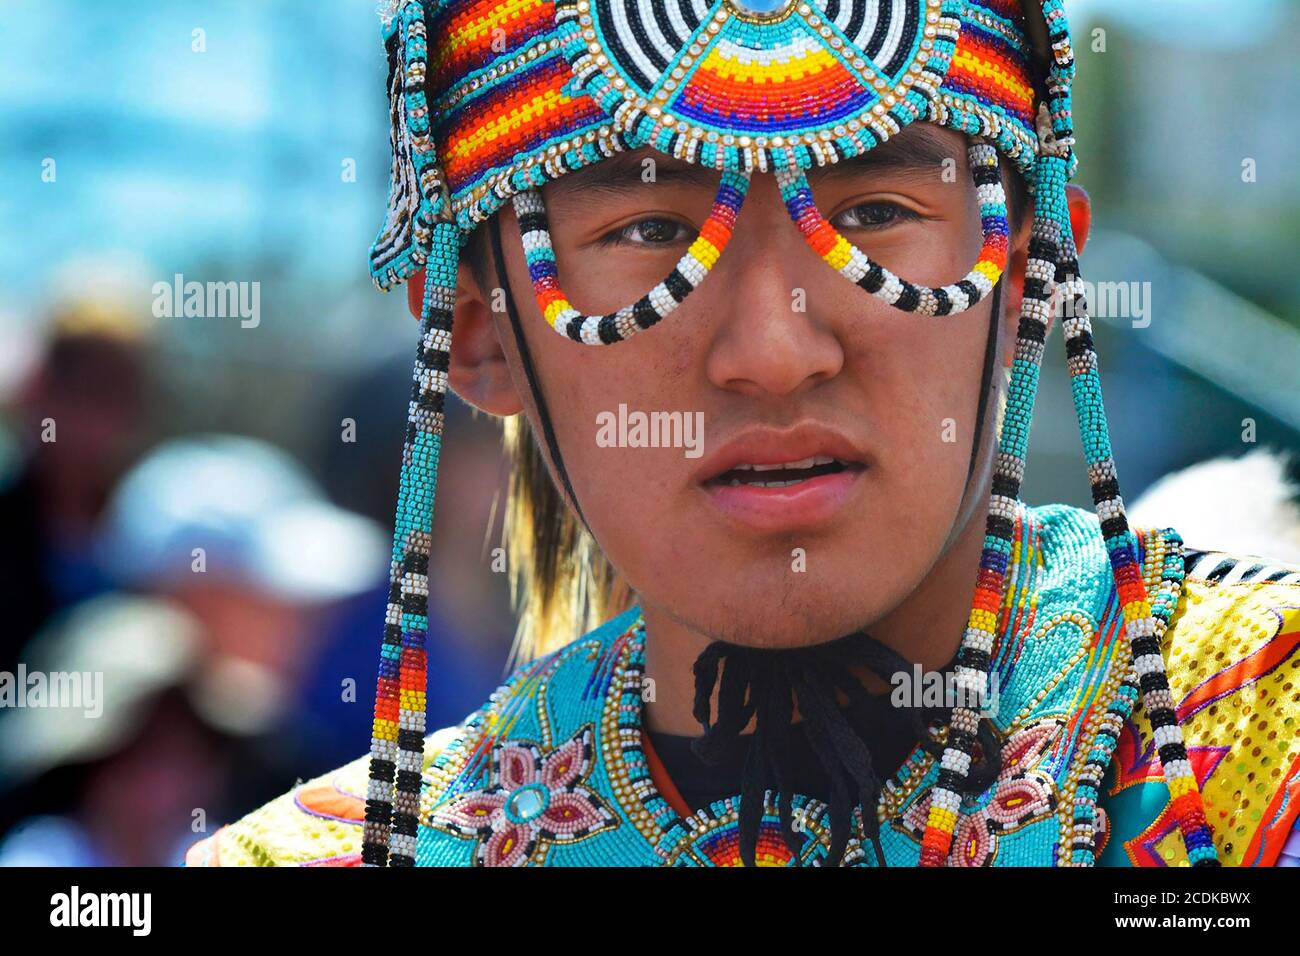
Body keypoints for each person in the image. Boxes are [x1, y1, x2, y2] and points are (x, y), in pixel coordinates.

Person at [186, 0, 1300, 868]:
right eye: (650, 230)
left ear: (1034, 275)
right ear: (477, 334)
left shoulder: (1260, 742)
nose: (774, 350)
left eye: (874, 213)